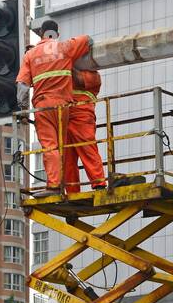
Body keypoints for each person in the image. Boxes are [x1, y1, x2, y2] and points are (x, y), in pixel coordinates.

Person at [17, 19, 93, 193]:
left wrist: (22, 109)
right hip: (64, 106)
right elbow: (88, 39)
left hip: (43, 106)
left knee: (50, 147)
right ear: (56, 34)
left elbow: (22, 86)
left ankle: (54, 185)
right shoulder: (65, 47)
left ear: (41, 34)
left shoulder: (31, 55)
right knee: (62, 146)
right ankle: (70, 188)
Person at [64, 64, 106, 195]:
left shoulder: (94, 75)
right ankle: (72, 191)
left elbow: (79, 80)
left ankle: (99, 182)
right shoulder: (72, 70)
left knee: (87, 148)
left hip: (82, 113)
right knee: (67, 157)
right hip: (65, 113)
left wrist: (65, 61)